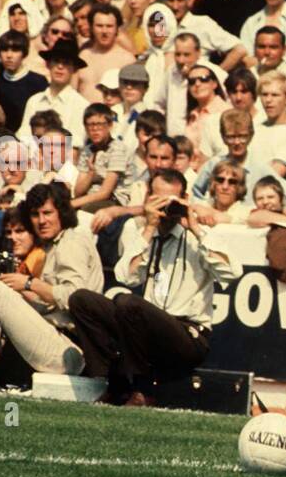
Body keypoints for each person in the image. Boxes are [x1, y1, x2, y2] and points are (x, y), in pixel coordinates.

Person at [68, 168, 239, 407]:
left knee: (129, 303)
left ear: (185, 199)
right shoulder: (139, 231)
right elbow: (126, 277)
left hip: (187, 335)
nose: (166, 208)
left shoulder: (199, 236)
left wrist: (195, 227)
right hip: (146, 328)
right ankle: (112, 382)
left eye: (172, 201)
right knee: (82, 300)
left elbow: (231, 274)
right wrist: (149, 229)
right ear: (148, 199)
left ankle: (143, 391)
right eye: (159, 200)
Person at [0, 182, 102, 385]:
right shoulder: (54, 246)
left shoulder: (72, 242)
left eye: (48, 213)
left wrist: (29, 283)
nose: (42, 221)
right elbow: (50, 303)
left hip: (71, 350)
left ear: (62, 212)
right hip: (56, 342)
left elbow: (74, 297)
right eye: (36, 215)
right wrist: (16, 290)